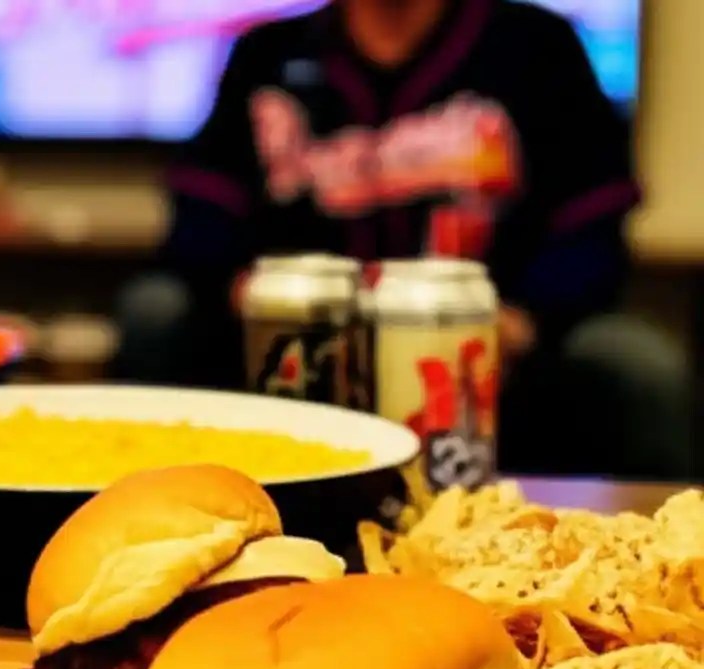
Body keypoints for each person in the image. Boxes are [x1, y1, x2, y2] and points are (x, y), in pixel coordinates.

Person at [114, 0, 691, 478]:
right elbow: (200, 216)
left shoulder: (537, 45)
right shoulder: (267, 52)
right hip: (292, 351)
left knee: (637, 362)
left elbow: (592, 225)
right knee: (154, 309)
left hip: (499, 350)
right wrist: (244, 289)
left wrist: (522, 319)